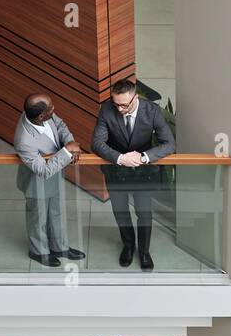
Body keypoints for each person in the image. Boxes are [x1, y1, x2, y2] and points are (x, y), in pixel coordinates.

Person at [91, 79, 175, 270]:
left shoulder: (152, 110)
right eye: (116, 104)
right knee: (120, 212)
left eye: (124, 105)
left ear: (135, 97)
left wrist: (144, 157)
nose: (119, 109)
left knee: (144, 213)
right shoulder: (106, 109)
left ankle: (144, 251)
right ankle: (128, 246)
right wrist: (120, 158)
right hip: (116, 171)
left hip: (143, 172)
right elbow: (97, 143)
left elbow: (169, 144)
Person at [14, 93, 86, 268]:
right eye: (51, 109)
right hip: (36, 183)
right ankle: (38, 251)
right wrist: (68, 152)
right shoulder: (25, 140)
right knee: (38, 218)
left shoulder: (43, 114)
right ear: (40, 116)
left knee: (56, 213)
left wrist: (71, 143)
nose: (54, 110)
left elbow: (60, 125)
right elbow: (44, 171)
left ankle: (59, 247)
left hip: (55, 177)